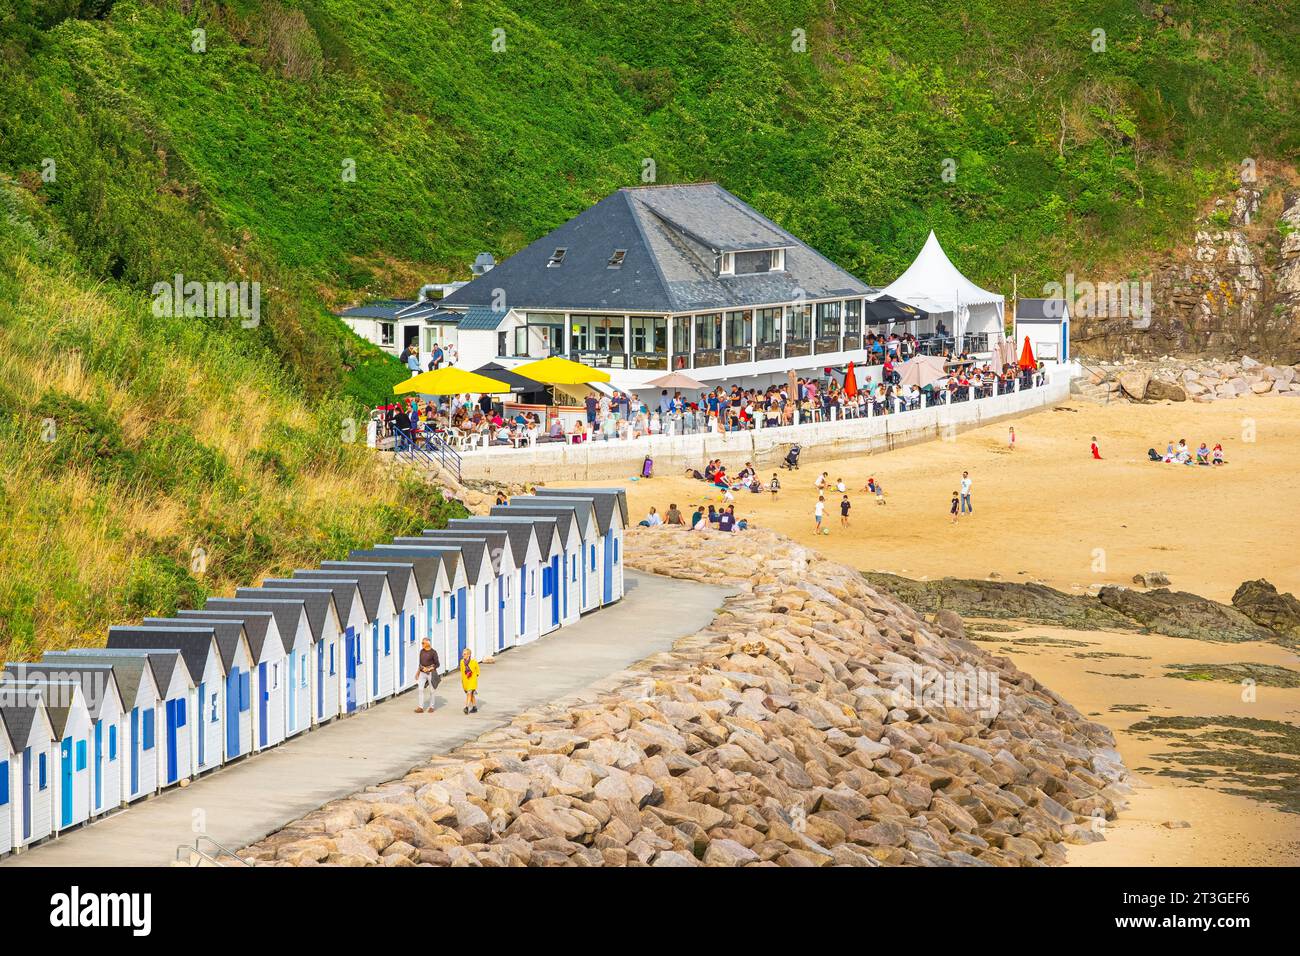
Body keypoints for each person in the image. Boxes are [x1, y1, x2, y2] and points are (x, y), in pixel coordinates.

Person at [415, 639, 440, 713]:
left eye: (423, 643)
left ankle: (431, 707)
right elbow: (420, 664)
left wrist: (429, 669)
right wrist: (417, 673)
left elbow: (437, 664)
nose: (422, 644)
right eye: (422, 643)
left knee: (432, 691)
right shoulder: (421, 651)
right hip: (422, 673)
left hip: (431, 673)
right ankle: (420, 707)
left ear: (428, 644)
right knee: (420, 689)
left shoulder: (433, 652)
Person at [460, 648, 480, 714]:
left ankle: (466, 707)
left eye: (465, 654)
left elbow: (478, 671)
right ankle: (474, 707)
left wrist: (475, 675)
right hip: (465, 681)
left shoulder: (474, 662)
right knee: (471, 695)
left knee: (469, 693)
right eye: (463, 654)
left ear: (469, 655)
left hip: (472, 681)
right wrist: (462, 681)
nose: (463, 655)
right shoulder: (462, 662)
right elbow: (462, 671)